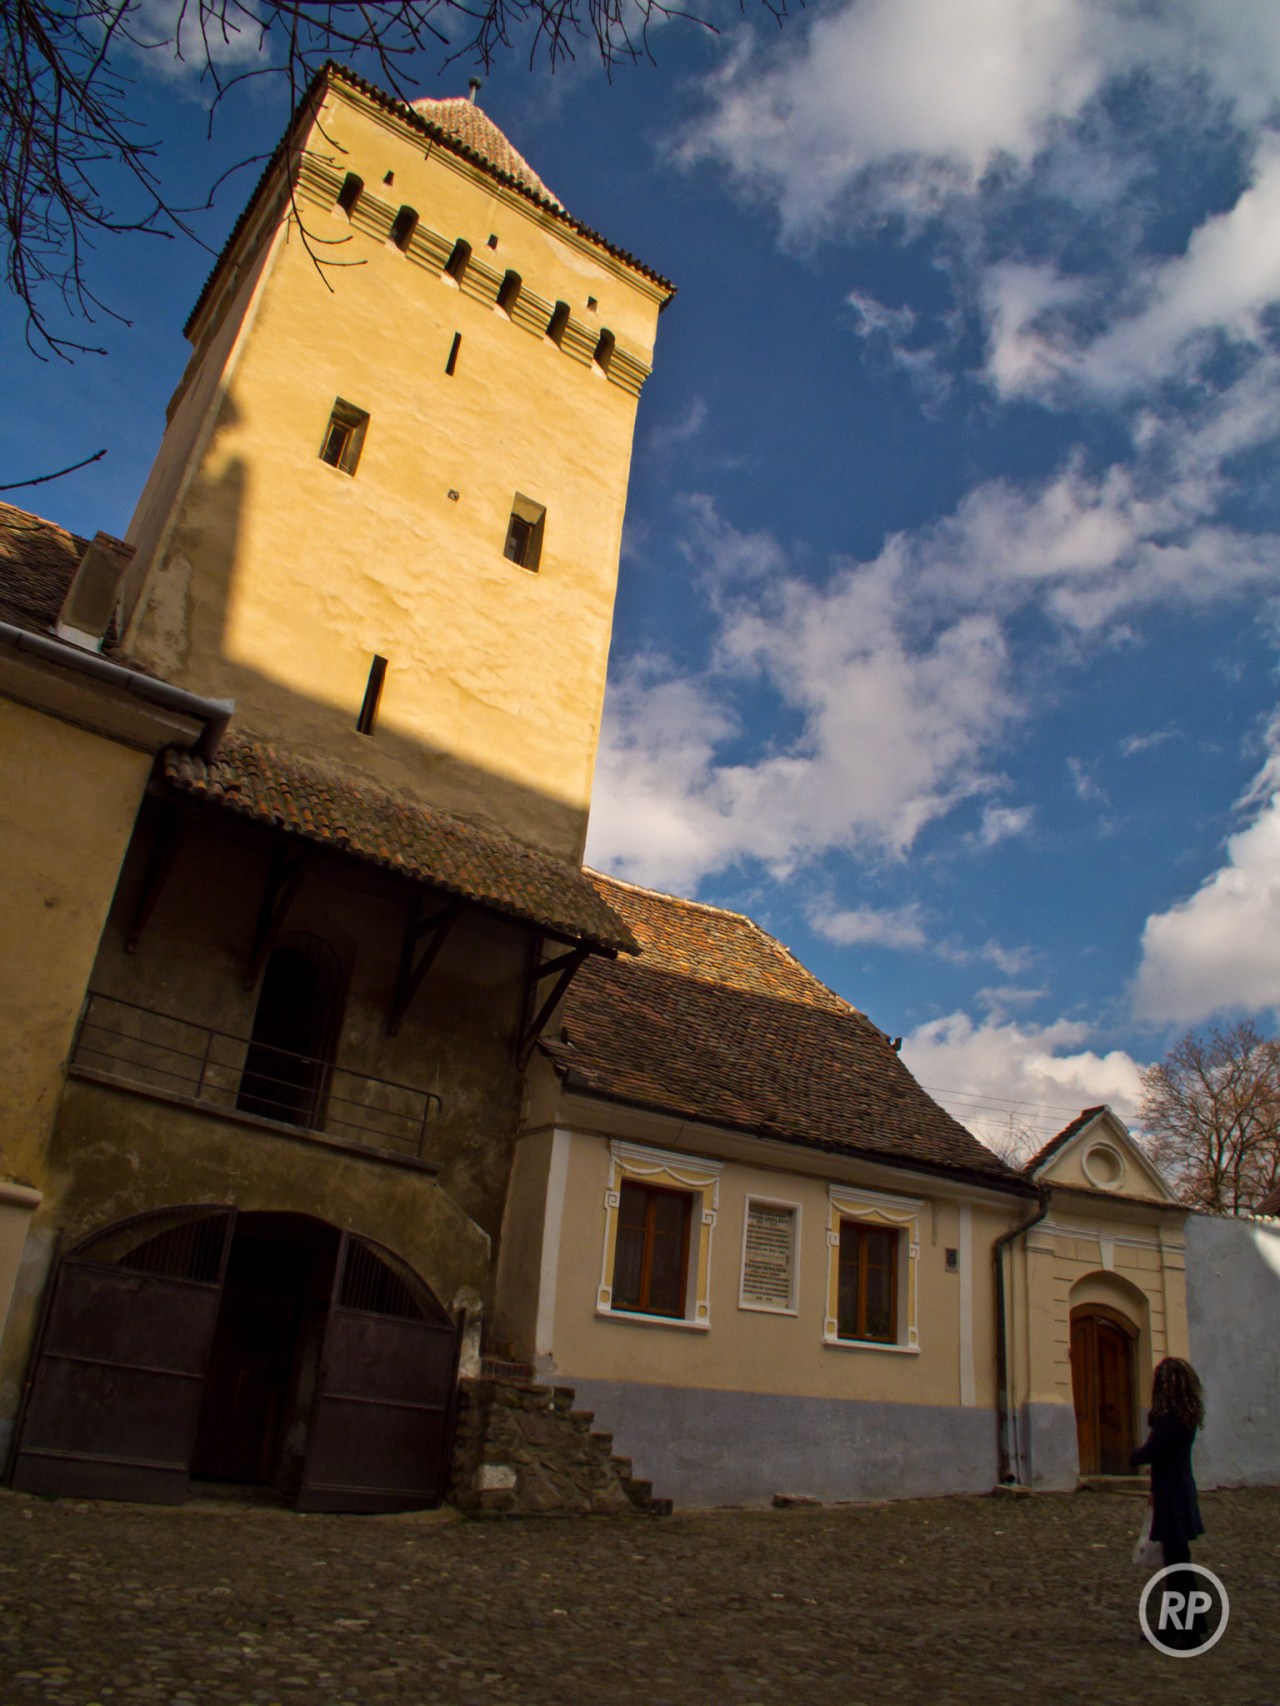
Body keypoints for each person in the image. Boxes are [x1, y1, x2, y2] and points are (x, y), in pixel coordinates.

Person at [1130, 1356, 1206, 1649]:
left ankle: (1184, 1630)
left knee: (1177, 1567)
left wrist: (1133, 1455)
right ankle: (1181, 1627)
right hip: (1179, 1491)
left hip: (1171, 1495)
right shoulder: (1185, 1414)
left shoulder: (1171, 1417)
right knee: (1178, 1563)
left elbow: (1151, 1450)